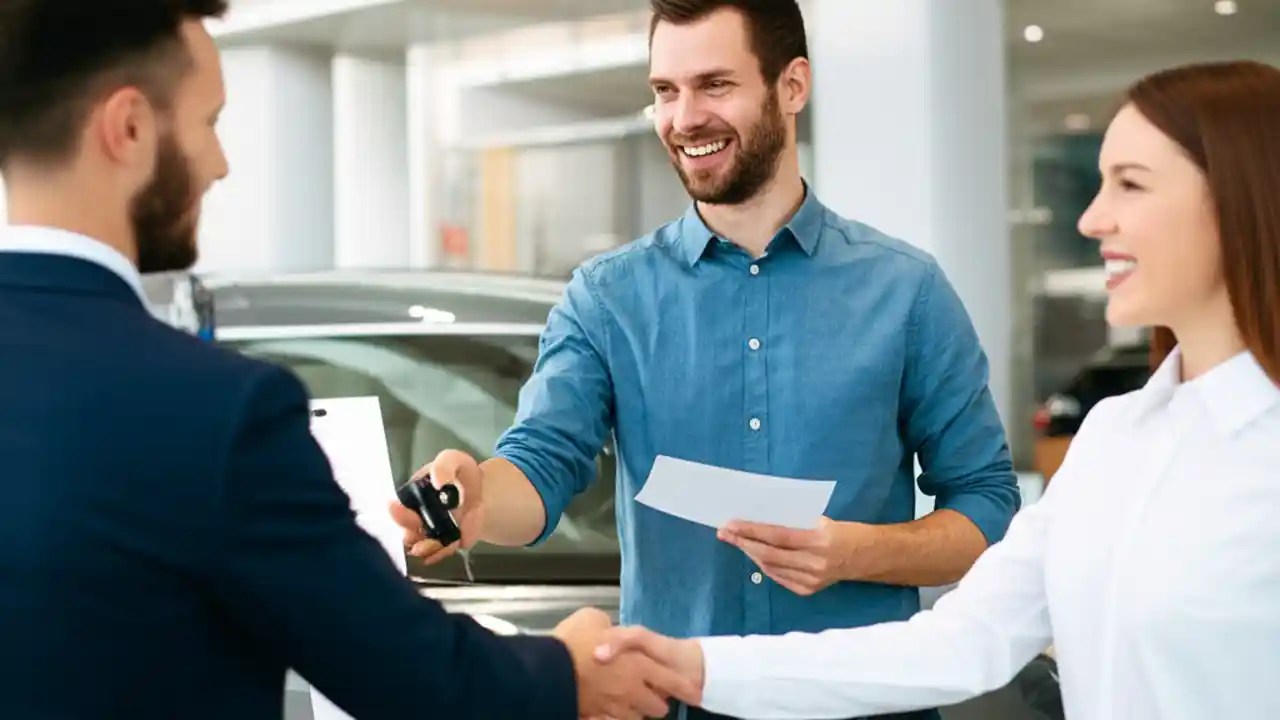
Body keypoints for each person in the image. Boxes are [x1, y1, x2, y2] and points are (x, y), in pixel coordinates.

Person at [0, 2, 698, 718]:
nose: (220, 163)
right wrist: (567, 670)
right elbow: (407, 671)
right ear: (130, 129)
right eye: (209, 122)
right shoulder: (217, 412)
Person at [595, 59, 1280, 720]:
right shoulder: (1114, 439)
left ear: (1242, 197)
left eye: (1131, 185)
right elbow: (961, 643)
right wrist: (695, 668)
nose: (1092, 220)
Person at [393, 1, 1020, 718]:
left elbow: (987, 509)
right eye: (666, 90)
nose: (683, 117)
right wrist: (477, 496)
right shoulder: (607, 297)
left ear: (792, 86)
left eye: (714, 85)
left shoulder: (907, 293)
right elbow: (541, 463)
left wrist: (857, 553)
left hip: (862, 708)